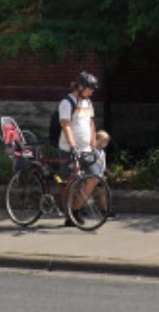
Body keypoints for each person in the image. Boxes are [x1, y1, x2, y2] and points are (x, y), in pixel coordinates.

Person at [57, 72, 99, 220]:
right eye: (90, 89)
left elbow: (91, 124)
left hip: (86, 149)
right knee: (70, 183)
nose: (92, 92)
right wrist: (73, 146)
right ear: (80, 87)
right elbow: (65, 126)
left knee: (94, 177)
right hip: (69, 149)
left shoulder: (88, 102)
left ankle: (75, 209)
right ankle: (69, 214)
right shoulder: (67, 102)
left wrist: (94, 146)